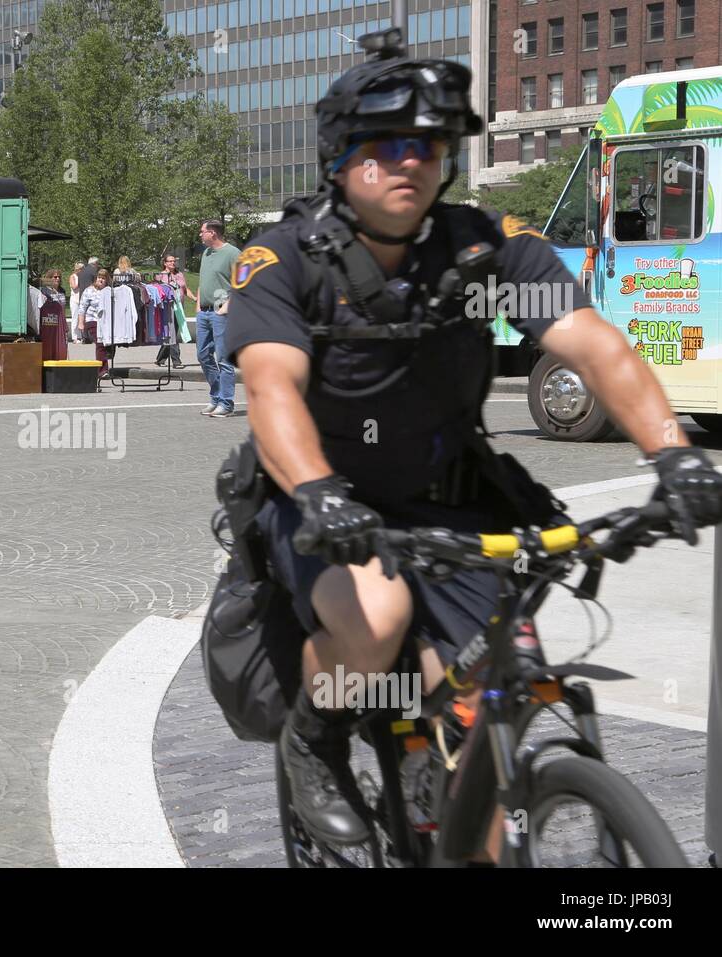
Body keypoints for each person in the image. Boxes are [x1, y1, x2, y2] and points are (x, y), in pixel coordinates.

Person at [224, 28, 722, 852]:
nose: (409, 160)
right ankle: (314, 736)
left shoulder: (488, 248)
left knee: (492, 687)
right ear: (340, 158)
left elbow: (597, 347)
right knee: (377, 613)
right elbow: (271, 386)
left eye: (429, 144)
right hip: (322, 503)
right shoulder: (283, 259)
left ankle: (453, 792)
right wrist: (316, 490)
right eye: (385, 144)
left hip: (453, 496)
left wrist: (672, 453)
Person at [195, 220, 240, 418]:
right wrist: (197, 305)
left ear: (212, 233)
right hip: (204, 312)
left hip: (221, 312)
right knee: (203, 356)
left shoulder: (233, 253)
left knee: (223, 359)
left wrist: (226, 307)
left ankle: (226, 402)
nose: (200, 235)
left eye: (202, 232)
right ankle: (216, 397)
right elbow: (203, 280)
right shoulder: (206, 253)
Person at [153, 253, 191, 368]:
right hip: (167, 309)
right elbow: (157, 291)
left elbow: (185, 289)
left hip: (179, 308)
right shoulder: (160, 276)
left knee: (172, 332)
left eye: (174, 261)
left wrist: (194, 298)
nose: (172, 263)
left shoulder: (179, 275)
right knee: (172, 332)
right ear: (165, 263)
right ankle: (176, 361)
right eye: (170, 261)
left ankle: (160, 359)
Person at [75, 267, 113, 378]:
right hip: (93, 321)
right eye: (99, 278)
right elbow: (82, 307)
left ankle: (103, 366)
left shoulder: (109, 291)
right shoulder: (89, 290)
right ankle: (102, 371)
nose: (101, 280)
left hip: (106, 322)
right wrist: (81, 323)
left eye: (103, 278)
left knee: (107, 345)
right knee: (100, 344)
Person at [68, 261, 85, 342]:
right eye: (82, 269)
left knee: (81, 318)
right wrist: (81, 281)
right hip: (74, 300)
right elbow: (74, 287)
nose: (83, 271)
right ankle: (74, 337)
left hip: (81, 299)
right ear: (78, 269)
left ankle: (81, 336)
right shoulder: (73, 276)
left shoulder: (82, 276)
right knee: (75, 318)